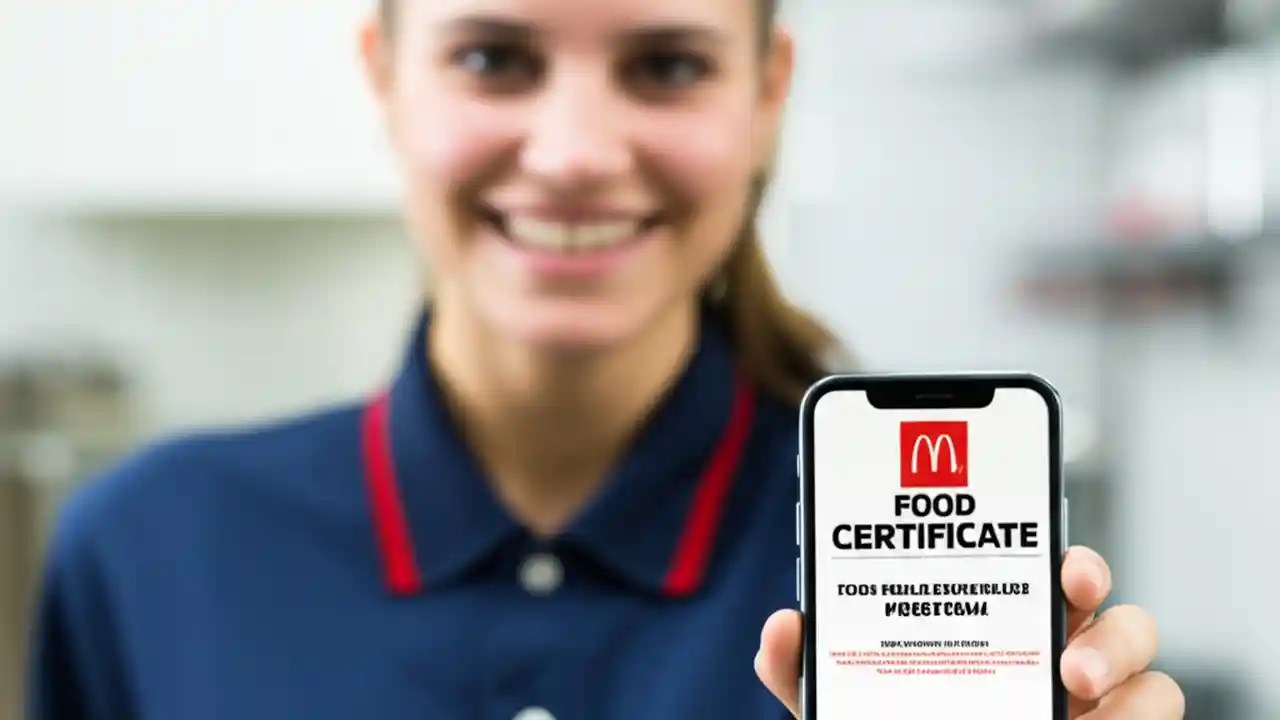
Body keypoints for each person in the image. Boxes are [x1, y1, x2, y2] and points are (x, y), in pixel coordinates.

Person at [26, 0, 1185, 717]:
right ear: (383, 76)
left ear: (766, 91)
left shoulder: (921, 582)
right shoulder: (142, 552)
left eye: (667, 65)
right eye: (491, 57)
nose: (575, 152)